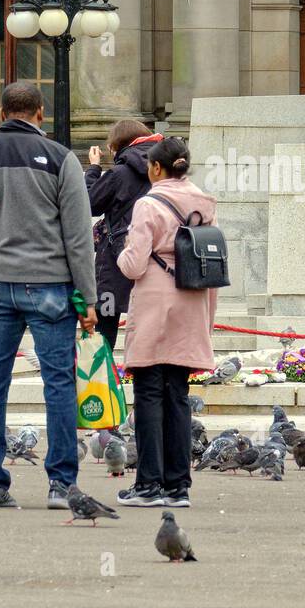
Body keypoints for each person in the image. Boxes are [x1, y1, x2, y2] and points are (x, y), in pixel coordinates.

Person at [0, 82, 98, 511]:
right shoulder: (61, 158)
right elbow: (78, 235)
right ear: (40, 113)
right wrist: (87, 297)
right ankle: (60, 484)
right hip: (50, 284)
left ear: (0, 111)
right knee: (59, 385)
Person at [115, 136, 218, 508]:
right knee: (178, 396)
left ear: (156, 168)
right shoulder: (205, 202)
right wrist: (207, 320)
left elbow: (134, 264)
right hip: (192, 304)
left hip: (156, 305)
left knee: (147, 394)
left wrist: (121, 251)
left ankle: (148, 484)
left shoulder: (149, 203)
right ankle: (178, 486)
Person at [85, 119, 162, 352]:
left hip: (117, 257)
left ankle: (102, 376)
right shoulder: (164, 170)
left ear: (117, 146)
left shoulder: (119, 173)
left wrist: (93, 169)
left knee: (105, 321)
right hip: (156, 255)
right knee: (151, 321)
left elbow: (89, 204)